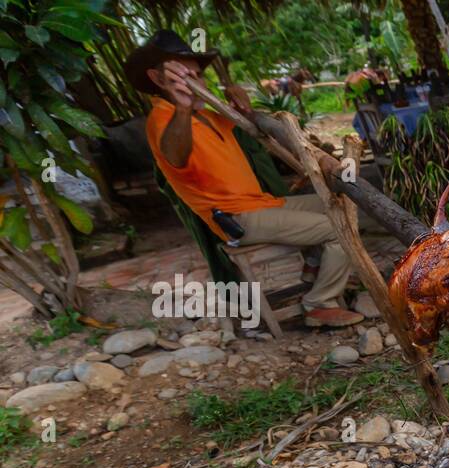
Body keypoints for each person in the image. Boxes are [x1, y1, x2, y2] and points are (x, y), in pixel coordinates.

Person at [126, 30, 361, 326]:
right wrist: (183, 107)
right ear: (159, 79)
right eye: (184, 77)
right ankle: (319, 303)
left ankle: (314, 265)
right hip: (238, 218)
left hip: (263, 204)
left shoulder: (209, 116)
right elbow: (175, 156)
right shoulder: (162, 119)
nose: (196, 84)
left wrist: (244, 107)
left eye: (197, 76)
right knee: (336, 227)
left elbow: (251, 129)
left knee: (341, 203)